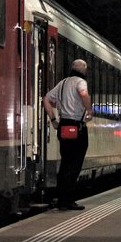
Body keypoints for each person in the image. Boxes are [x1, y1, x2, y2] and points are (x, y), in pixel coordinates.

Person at [42, 59, 93, 210]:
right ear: (83, 70)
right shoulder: (81, 82)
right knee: (75, 163)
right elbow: (83, 94)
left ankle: (61, 198)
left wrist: (53, 119)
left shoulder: (62, 83)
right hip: (76, 126)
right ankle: (67, 200)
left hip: (63, 126)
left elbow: (46, 99)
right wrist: (89, 110)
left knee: (65, 162)